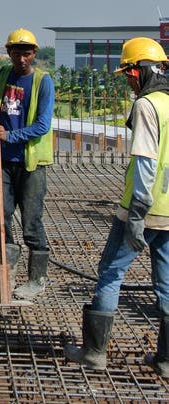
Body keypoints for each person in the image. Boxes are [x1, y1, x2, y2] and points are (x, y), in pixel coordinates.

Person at [65, 37, 169, 375]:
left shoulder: (146, 106)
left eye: (128, 73)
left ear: (140, 70)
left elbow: (145, 162)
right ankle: (166, 360)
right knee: (166, 284)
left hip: (141, 210)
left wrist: (137, 211)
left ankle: (95, 353)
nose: (126, 80)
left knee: (110, 273)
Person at [0, 28, 54, 299]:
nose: (21, 58)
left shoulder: (42, 82)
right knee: (1, 215)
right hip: (4, 160)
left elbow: (43, 125)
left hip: (30, 164)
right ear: (9, 53)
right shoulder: (5, 77)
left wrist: (10, 135)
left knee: (31, 221)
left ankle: (37, 279)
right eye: (16, 52)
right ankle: (5, 272)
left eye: (26, 53)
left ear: (33, 53)